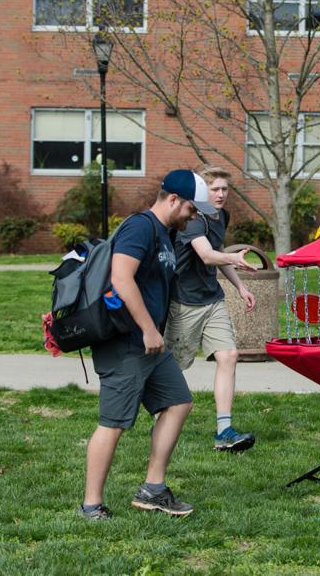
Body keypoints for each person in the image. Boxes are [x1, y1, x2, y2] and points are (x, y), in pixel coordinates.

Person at [80, 169, 215, 520]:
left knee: (178, 402)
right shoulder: (140, 227)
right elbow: (121, 277)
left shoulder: (164, 233)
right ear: (173, 200)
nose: (194, 216)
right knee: (114, 422)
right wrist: (147, 329)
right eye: (191, 209)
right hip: (126, 340)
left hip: (149, 345)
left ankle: (153, 489)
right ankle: (91, 505)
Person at [165, 165, 258, 452]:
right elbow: (206, 255)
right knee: (173, 366)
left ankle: (224, 431)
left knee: (229, 355)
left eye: (225, 189)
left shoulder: (222, 216)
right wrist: (235, 260)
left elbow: (219, 256)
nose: (220, 194)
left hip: (212, 299)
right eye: (215, 189)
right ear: (204, 192)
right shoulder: (194, 218)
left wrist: (240, 287)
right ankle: (161, 417)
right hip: (183, 301)